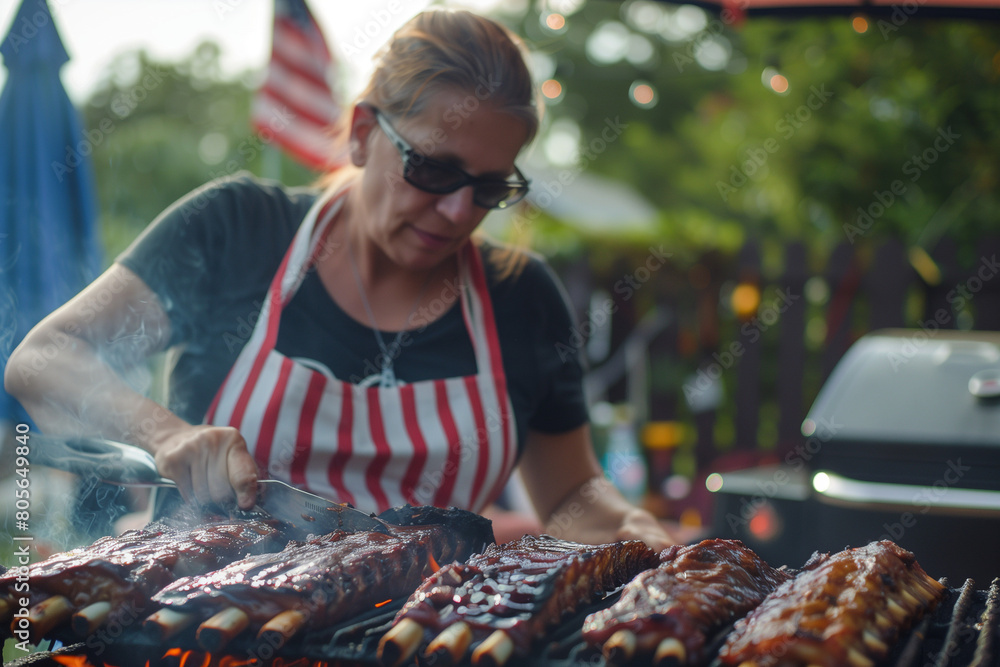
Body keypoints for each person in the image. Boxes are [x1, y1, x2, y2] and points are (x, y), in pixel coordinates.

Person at [5, 9, 677, 550]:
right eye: (434, 169)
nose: (457, 211)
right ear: (361, 133)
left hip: (423, 639)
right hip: (204, 638)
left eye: (488, 187)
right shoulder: (238, 229)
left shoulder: (521, 298)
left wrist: (628, 523)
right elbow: (41, 359)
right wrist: (166, 433)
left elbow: (568, 497)